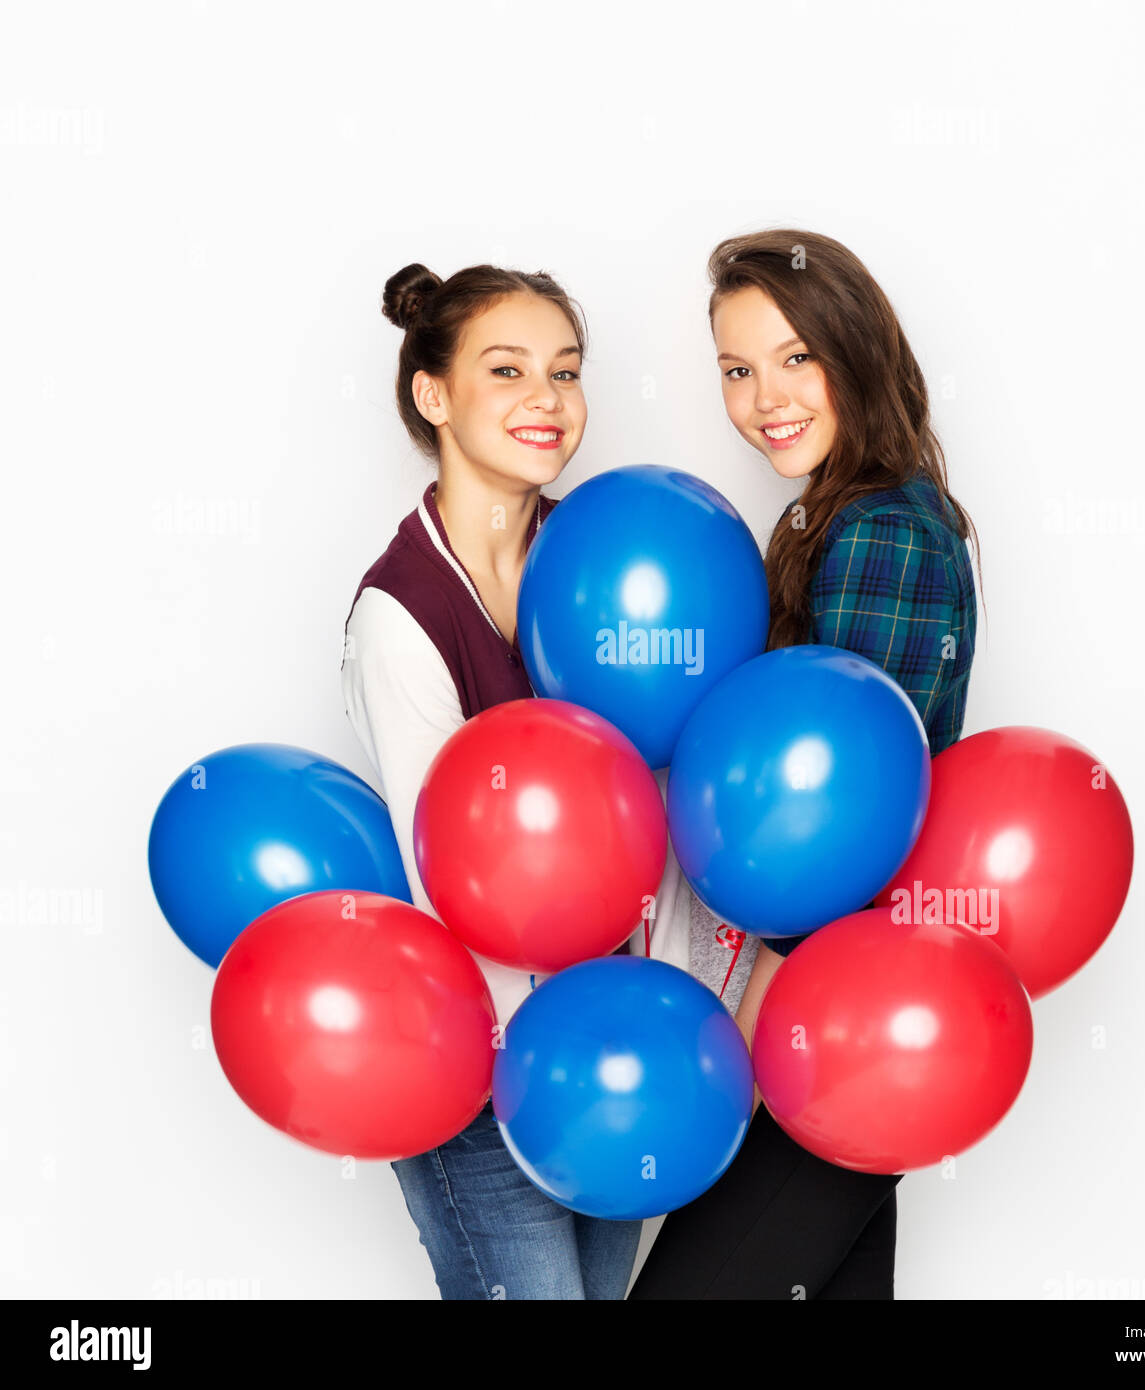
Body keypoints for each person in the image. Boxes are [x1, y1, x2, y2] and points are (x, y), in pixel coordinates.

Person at [628, 227, 983, 1301]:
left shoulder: (880, 529)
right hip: (858, 1017)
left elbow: (839, 817)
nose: (762, 396)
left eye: (794, 357)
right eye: (736, 369)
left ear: (854, 350)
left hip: (831, 1013)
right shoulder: (838, 514)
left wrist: (750, 1020)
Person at [339, 260, 695, 1299]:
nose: (547, 398)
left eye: (565, 370)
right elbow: (438, 868)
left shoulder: (606, 567)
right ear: (433, 395)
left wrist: (663, 1018)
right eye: (507, 370)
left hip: (615, 1045)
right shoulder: (400, 615)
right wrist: (540, 1072)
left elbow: (663, 803)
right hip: (471, 1058)